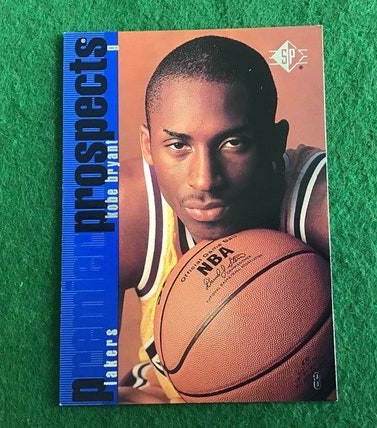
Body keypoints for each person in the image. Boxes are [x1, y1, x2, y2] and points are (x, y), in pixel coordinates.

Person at [118, 35, 331, 403]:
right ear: (147, 145)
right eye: (178, 145)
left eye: (233, 143)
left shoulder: (323, 204)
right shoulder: (126, 207)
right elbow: (77, 390)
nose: (204, 179)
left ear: (275, 141)